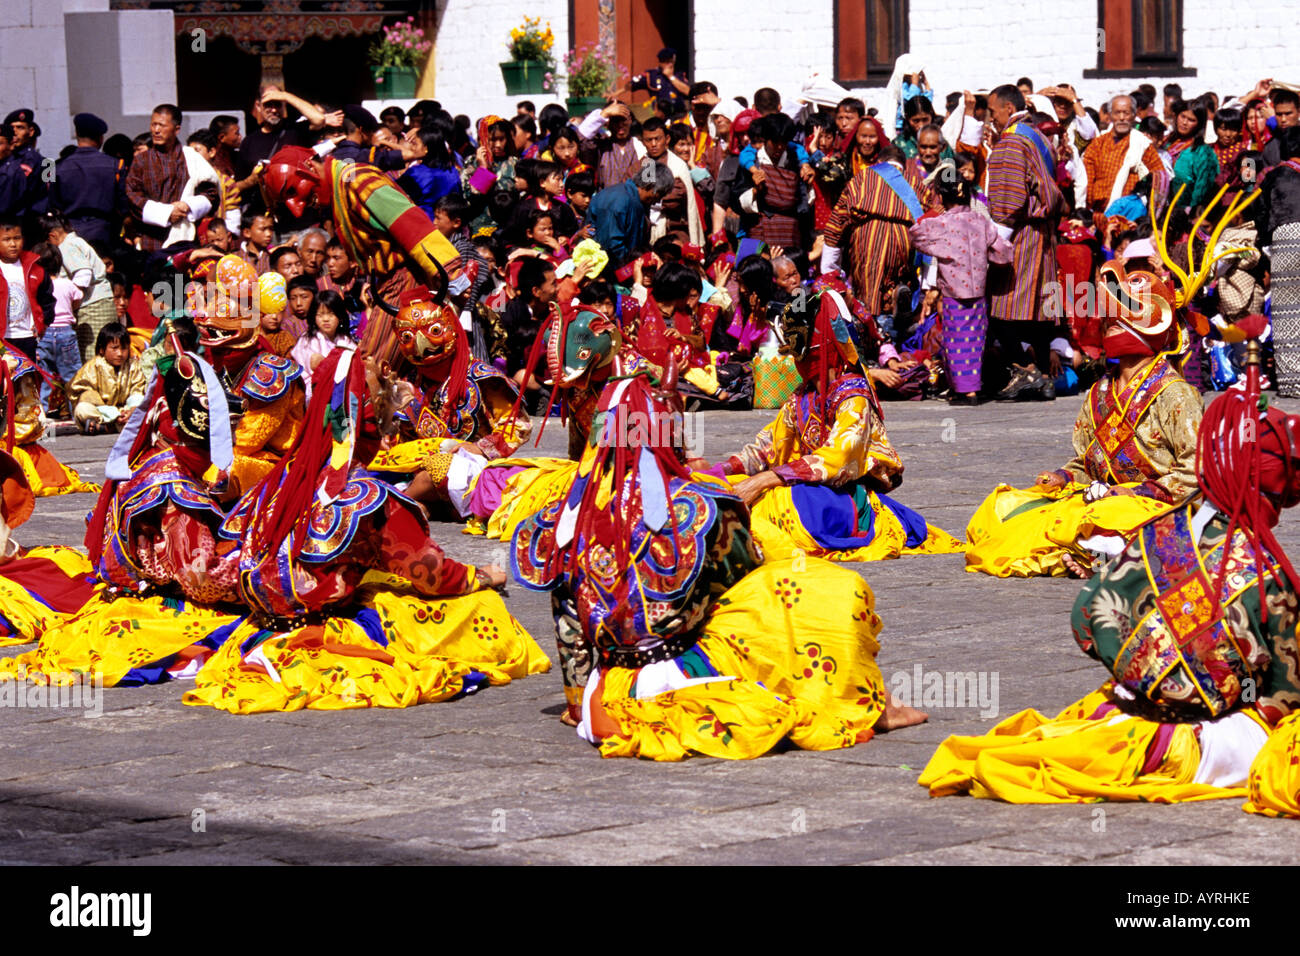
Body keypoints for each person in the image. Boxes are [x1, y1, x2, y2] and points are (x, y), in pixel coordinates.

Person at [924, 328, 1300, 809]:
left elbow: (1086, 621)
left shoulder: (1159, 534)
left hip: (1117, 704)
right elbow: (1284, 697)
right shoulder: (1271, 580)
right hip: (1197, 740)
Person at [512, 364, 926, 749]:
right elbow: (751, 588)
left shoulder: (564, 519)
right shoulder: (699, 508)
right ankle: (866, 699)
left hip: (603, 697)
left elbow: (570, 633)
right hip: (675, 676)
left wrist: (579, 705)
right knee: (818, 591)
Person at [184, 348, 549, 714]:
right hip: (325, 624)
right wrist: (479, 575)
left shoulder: (279, 479)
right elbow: (430, 573)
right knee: (479, 606)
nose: (388, 398)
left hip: (260, 623)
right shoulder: (366, 497)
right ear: (367, 414)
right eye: (379, 394)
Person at [964, 245, 1224, 578]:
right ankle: (1090, 551)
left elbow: (1196, 471)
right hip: (1097, 499)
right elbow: (1086, 462)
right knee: (1004, 508)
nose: (1109, 326)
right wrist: (1064, 476)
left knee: (1112, 517)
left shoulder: (1176, 394)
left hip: (1147, 504)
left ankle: (1098, 555)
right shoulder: (1099, 391)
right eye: (1110, 320)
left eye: (1121, 318)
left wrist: (1134, 491)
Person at [712, 284, 962, 563]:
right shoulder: (803, 397)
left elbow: (837, 458)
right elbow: (768, 445)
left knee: (784, 501)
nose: (796, 362)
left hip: (847, 498)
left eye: (801, 355)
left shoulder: (854, 397)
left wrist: (763, 480)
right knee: (726, 488)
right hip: (809, 487)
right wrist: (720, 470)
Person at [983, 84, 1066, 401]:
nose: (992, 118)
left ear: (1006, 108)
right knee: (1042, 307)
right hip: (1044, 234)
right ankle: (1045, 378)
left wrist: (996, 240)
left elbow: (1010, 199)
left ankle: (1025, 368)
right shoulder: (1040, 136)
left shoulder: (1012, 142)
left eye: (993, 112)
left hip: (1021, 234)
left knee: (999, 304)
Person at [908, 159, 1014, 404]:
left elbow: (916, 233)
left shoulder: (943, 224)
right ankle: (973, 387)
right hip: (978, 292)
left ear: (942, 197)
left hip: (954, 294)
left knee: (956, 340)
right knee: (975, 341)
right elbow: (1003, 251)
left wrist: (935, 212)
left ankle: (965, 390)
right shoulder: (981, 221)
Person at [821, 138, 924, 319]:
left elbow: (839, 219)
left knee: (866, 295)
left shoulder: (863, 177)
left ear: (879, 162)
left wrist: (829, 268)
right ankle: (889, 330)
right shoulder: (916, 184)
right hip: (903, 244)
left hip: (866, 243)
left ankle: (869, 327)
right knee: (892, 292)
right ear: (903, 166)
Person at [124, 105, 219, 253]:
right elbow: (132, 196)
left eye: (161, 125)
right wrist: (167, 213)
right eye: (153, 124)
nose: (156, 130)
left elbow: (211, 194)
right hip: (150, 242)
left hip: (182, 242)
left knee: (177, 276)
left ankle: (178, 278)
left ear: (177, 129)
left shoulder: (191, 157)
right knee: (155, 276)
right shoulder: (141, 161)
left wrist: (187, 206)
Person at [39, 211, 114, 363]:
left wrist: (72, 298)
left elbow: (83, 273)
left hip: (94, 306)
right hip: (97, 302)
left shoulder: (67, 245)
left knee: (93, 358)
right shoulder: (76, 242)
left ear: (52, 236)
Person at [1082, 94, 1167, 227]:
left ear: (1134, 115)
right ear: (1110, 116)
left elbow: (1161, 179)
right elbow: (1087, 180)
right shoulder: (1097, 145)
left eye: (1126, 113)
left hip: (1131, 218)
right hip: (1100, 217)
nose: (1122, 118)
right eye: (1117, 113)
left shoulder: (1143, 145)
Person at [47, 113, 121, 247]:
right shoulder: (116, 165)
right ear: (100, 138)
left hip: (70, 233)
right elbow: (123, 205)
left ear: (76, 134)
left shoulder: (55, 167)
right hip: (105, 233)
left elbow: (52, 205)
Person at [587, 159, 674, 266]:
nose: (658, 201)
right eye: (659, 195)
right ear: (650, 186)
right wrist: (630, 267)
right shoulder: (620, 201)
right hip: (607, 267)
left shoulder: (636, 200)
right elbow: (612, 244)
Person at [32, 242, 83, 417]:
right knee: (72, 376)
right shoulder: (67, 284)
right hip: (66, 333)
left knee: (44, 375)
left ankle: (41, 414)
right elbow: (78, 299)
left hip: (45, 333)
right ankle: (77, 412)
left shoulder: (37, 285)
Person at [67, 322, 146, 433]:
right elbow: (82, 394)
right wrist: (114, 414)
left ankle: (107, 428)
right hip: (103, 412)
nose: (120, 353)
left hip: (126, 411)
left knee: (144, 408)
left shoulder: (134, 366)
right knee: (82, 410)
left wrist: (132, 410)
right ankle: (117, 426)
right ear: (102, 349)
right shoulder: (92, 367)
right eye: (114, 348)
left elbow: (137, 392)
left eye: (124, 348)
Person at [0, 213, 51, 361]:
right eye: (6, 239)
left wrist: (42, 323)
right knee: (5, 379)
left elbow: (47, 299)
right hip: (3, 339)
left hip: (27, 337)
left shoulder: (34, 268)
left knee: (28, 380)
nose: (13, 244)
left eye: (17, 238)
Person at [1164, 99, 1220, 214]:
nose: (1184, 122)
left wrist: (1193, 211)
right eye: (1182, 116)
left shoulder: (1202, 152)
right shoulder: (1167, 141)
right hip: (1161, 205)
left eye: (1191, 120)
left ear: (1199, 124)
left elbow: (1203, 187)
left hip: (1184, 211)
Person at [289, 288, 356, 381]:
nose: (325, 319)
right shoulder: (308, 340)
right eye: (320, 315)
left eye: (331, 314)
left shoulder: (345, 340)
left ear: (340, 317)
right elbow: (309, 370)